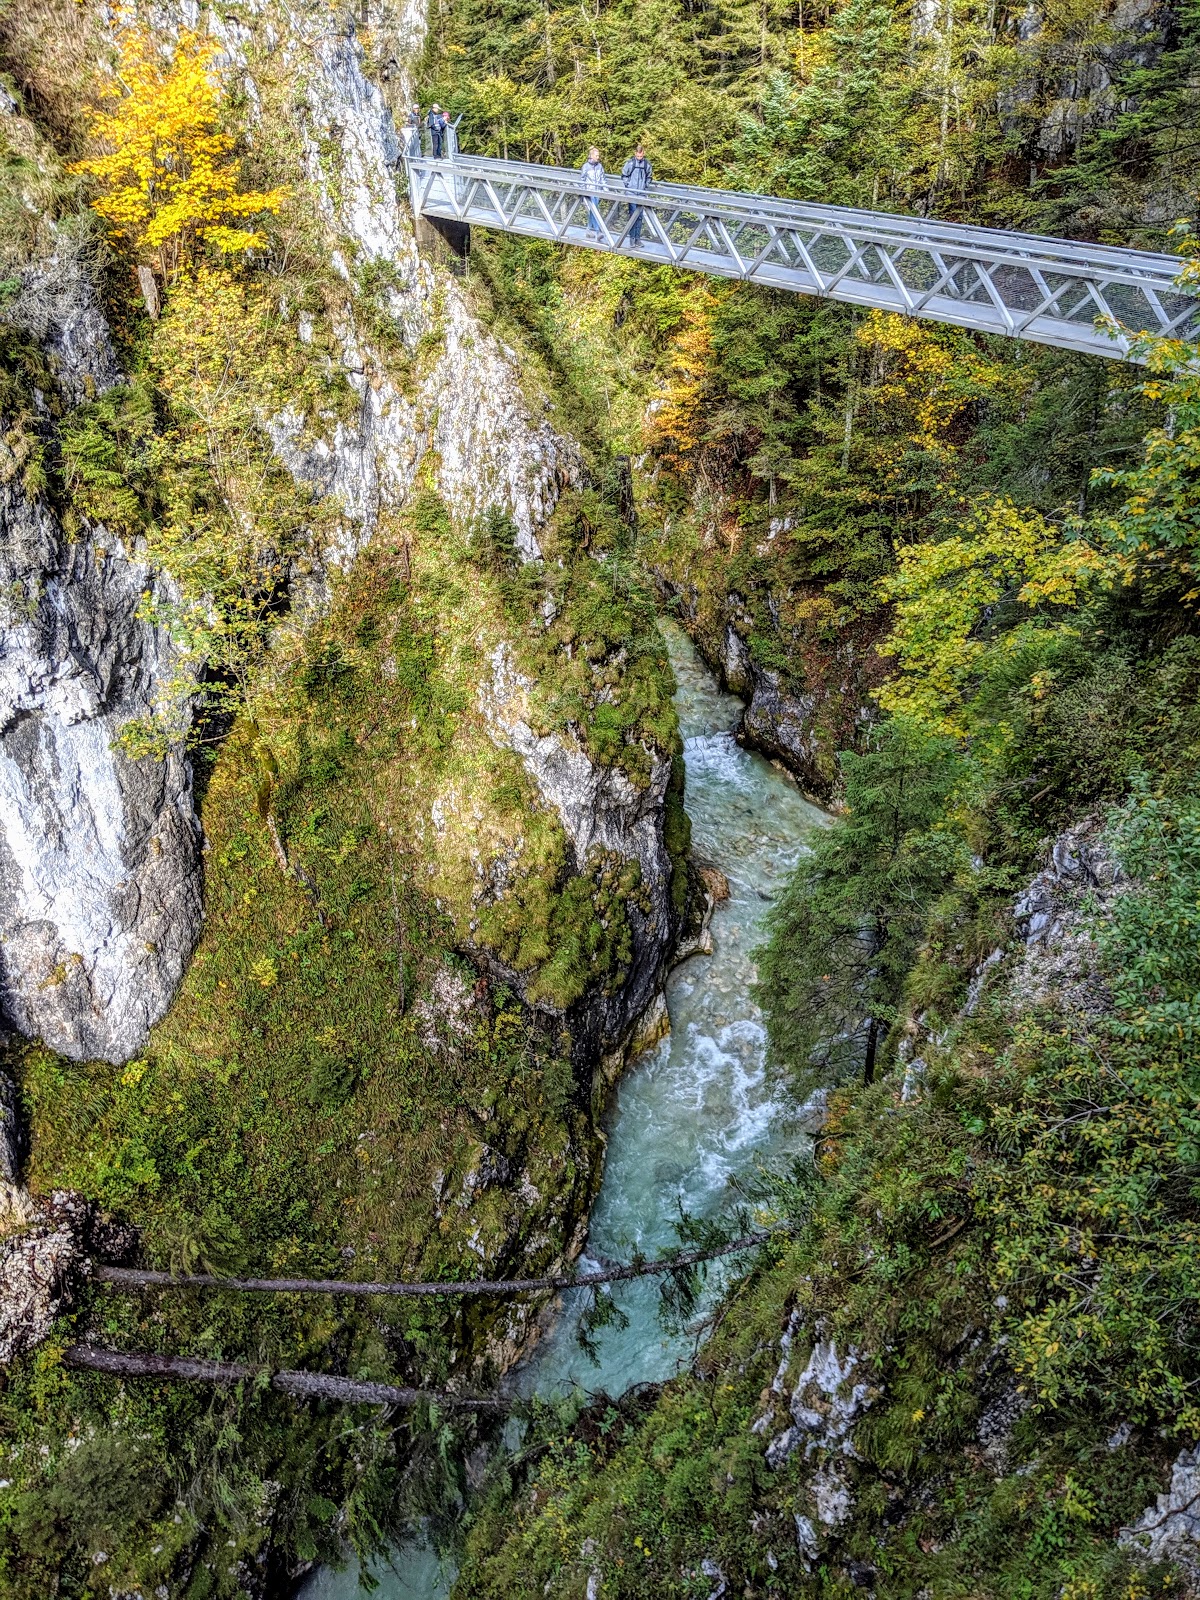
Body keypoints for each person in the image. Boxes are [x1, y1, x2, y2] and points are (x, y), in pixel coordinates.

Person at [622, 141, 652, 247]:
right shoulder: (630, 163)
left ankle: (637, 239)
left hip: (641, 194)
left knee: (639, 217)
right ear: (635, 153)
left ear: (643, 153)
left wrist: (645, 186)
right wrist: (628, 185)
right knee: (632, 216)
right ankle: (632, 239)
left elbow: (649, 176)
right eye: (638, 155)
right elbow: (624, 175)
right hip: (631, 193)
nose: (639, 157)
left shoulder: (647, 164)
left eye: (641, 155)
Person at [580, 146, 605, 237]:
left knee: (593, 211)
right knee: (595, 211)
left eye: (598, 156)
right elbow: (582, 180)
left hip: (597, 191)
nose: (598, 157)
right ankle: (598, 232)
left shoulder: (599, 166)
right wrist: (583, 193)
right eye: (597, 156)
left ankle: (588, 230)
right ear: (592, 156)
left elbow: (603, 179)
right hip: (589, 192)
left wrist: (606, 191)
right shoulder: (586, 166)